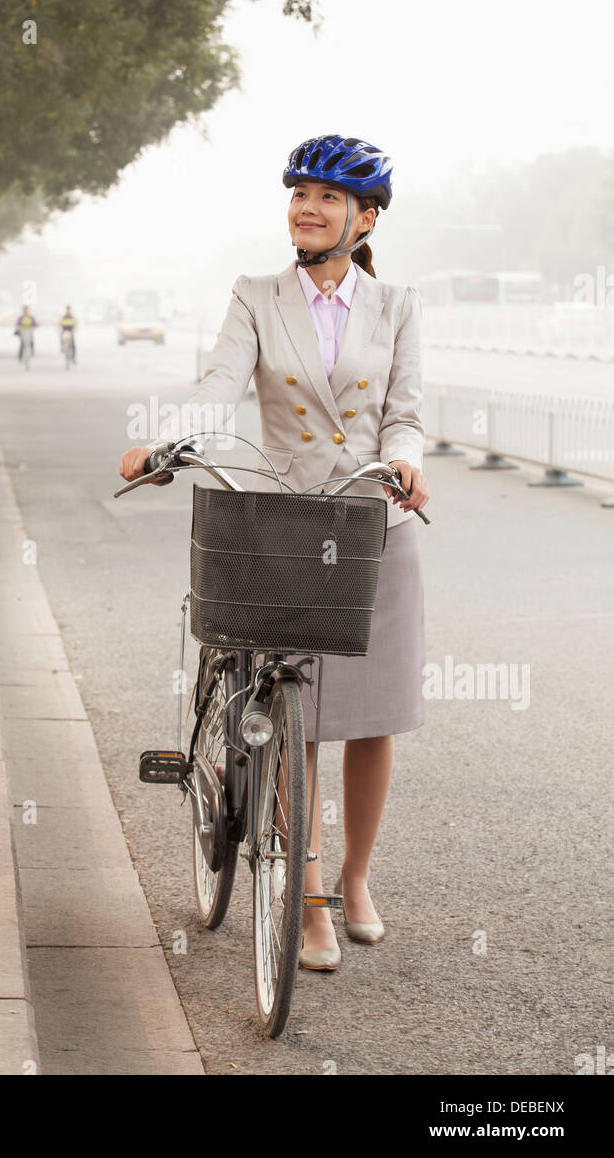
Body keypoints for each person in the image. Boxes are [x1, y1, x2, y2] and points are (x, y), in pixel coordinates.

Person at [118, 133, 430, 973]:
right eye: (299, 194)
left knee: (372, 718)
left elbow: (404, 412)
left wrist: (407, 461)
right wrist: (166, 445)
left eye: (328, 197)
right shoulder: (256, 295)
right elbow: (218, 386)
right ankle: (312, 895)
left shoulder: (397, 305)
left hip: (375, 522)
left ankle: (356, 880)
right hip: (288, 525)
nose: (308, 208)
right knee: (303, 721)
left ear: (365, 218)